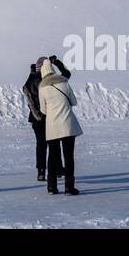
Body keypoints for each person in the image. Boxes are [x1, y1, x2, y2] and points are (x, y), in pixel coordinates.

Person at [22, 55, 72, 182]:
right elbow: (67, 73)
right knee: (54, 144)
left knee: (41, 144)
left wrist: (31, 72)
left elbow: (26, 89)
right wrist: (57, 62)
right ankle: (59, 170)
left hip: (36, 118)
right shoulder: (52, 81)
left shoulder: (31, 80)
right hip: (51, 116)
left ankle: (41, 172)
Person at [38, 57, 82, 194]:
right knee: (68, 157)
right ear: (52, 69)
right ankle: (69, 187)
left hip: (52, 127)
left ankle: (51, 187)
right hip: (67, 124)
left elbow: (43, 110)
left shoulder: (42, 87)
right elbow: (74, 102)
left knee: (52, 156)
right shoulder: (64, 82)